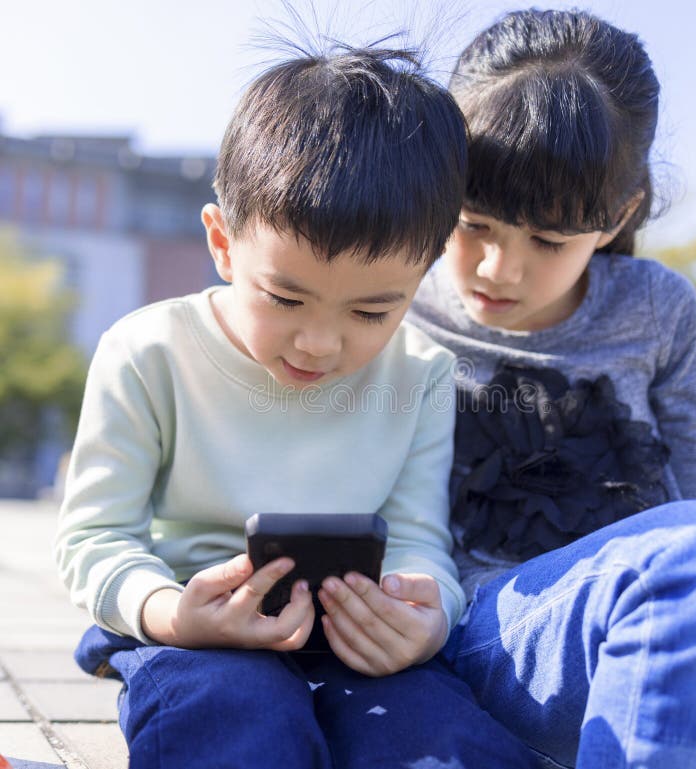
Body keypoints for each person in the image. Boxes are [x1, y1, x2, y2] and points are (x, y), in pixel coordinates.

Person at [55, 41, 539, 769]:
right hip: (195, 636)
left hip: (355, 644)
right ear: (222, 242)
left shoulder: (423, 373)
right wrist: (169, 611)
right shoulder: (149, 350)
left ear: (423, 275)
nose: (319, 343)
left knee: (451, 743)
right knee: (238, 729)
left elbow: (416, 538)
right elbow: (94, 538)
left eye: (373, 311)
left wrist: (427, 616)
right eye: (285, 298)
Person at [406, 9, 696, 768]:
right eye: (474, 223)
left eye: (548, 241)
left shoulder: (656, 307)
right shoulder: (395, 303)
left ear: (618, 214)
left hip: (678, 616)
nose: (498, 267)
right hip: (494, 633)